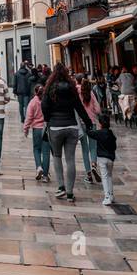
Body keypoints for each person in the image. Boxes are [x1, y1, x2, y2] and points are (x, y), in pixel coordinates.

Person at [41, 63, 93, 204]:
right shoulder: (71, 88)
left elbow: (44, 105)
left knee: (57, 157)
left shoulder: (50, 88)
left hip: (55, 127)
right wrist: (88, 123)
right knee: (70, 159)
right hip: (71, 126)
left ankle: (61, 186)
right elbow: (80, 107)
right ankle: (70, 193)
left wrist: (47, 119)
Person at [23, 81, 50, 183]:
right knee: (46, 152)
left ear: (35, 93)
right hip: (46, 128)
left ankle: (39, 167)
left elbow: (29, 117)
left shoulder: (33, 102)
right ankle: (45, 176)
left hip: (36, 129)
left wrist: (26, 129)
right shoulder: (47, 101)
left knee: (36, 149)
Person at [78, 76, 102, 185]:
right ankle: (94, 165)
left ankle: (88, 174)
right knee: (93, 147)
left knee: (84, 149)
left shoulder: (78, 94)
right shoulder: (91, 94)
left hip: (82, 123)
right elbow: (98, 109)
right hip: (92, 123)